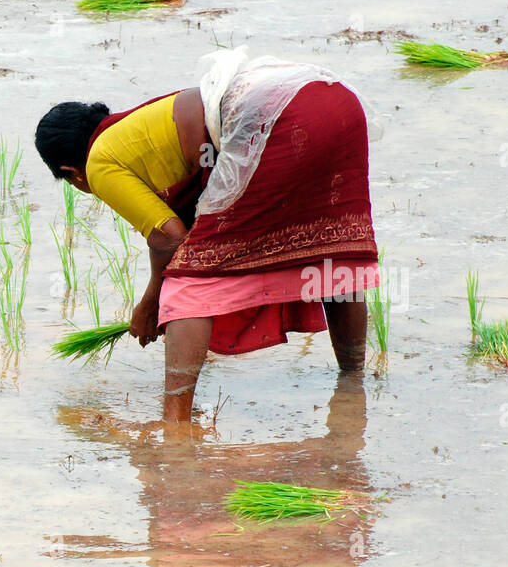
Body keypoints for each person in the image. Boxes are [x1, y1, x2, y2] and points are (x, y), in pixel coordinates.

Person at [35, 46, 380, 421]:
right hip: (335, 101)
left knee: (189, 278)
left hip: (282, 114)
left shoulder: (99, 162)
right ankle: (352, 385)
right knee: (328, 250)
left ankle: (175, 423)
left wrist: (151, 303)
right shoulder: (138, 123)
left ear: (72, 172)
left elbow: (169, 238)